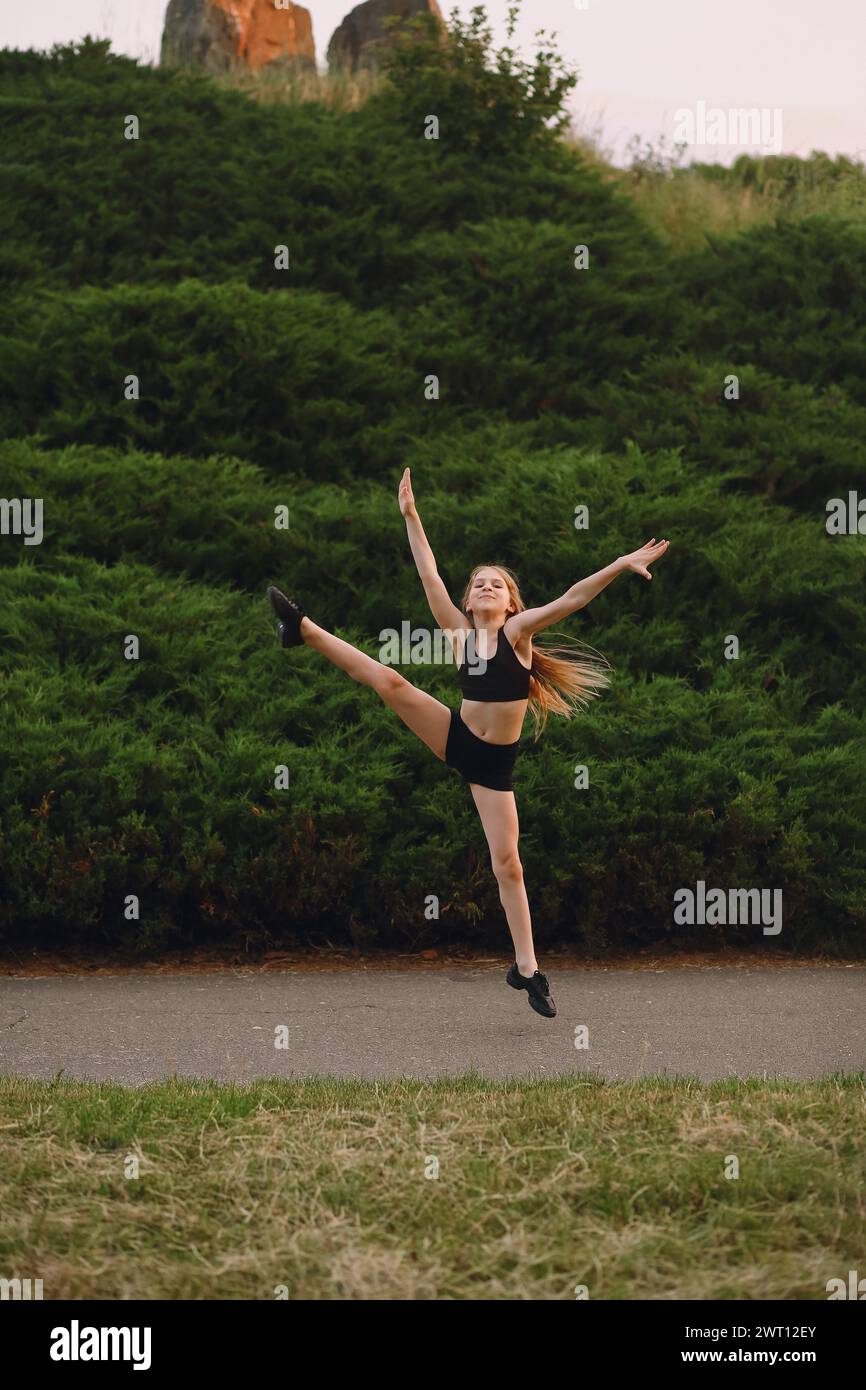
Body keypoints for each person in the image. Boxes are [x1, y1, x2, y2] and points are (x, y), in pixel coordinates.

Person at [267, 467, 669, 1018]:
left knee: (509, 865)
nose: (486, 587)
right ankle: (304, 630)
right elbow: (428, 574)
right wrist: (411, 516)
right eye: (479, 582)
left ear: (509, 603)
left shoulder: (517, 633)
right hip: (455, 738)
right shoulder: (457, 634)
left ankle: (527, 970)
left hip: (493, 765)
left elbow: (572, 598)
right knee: (392, 681)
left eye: (496, 584)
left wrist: (621, 565)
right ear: (469, 597)